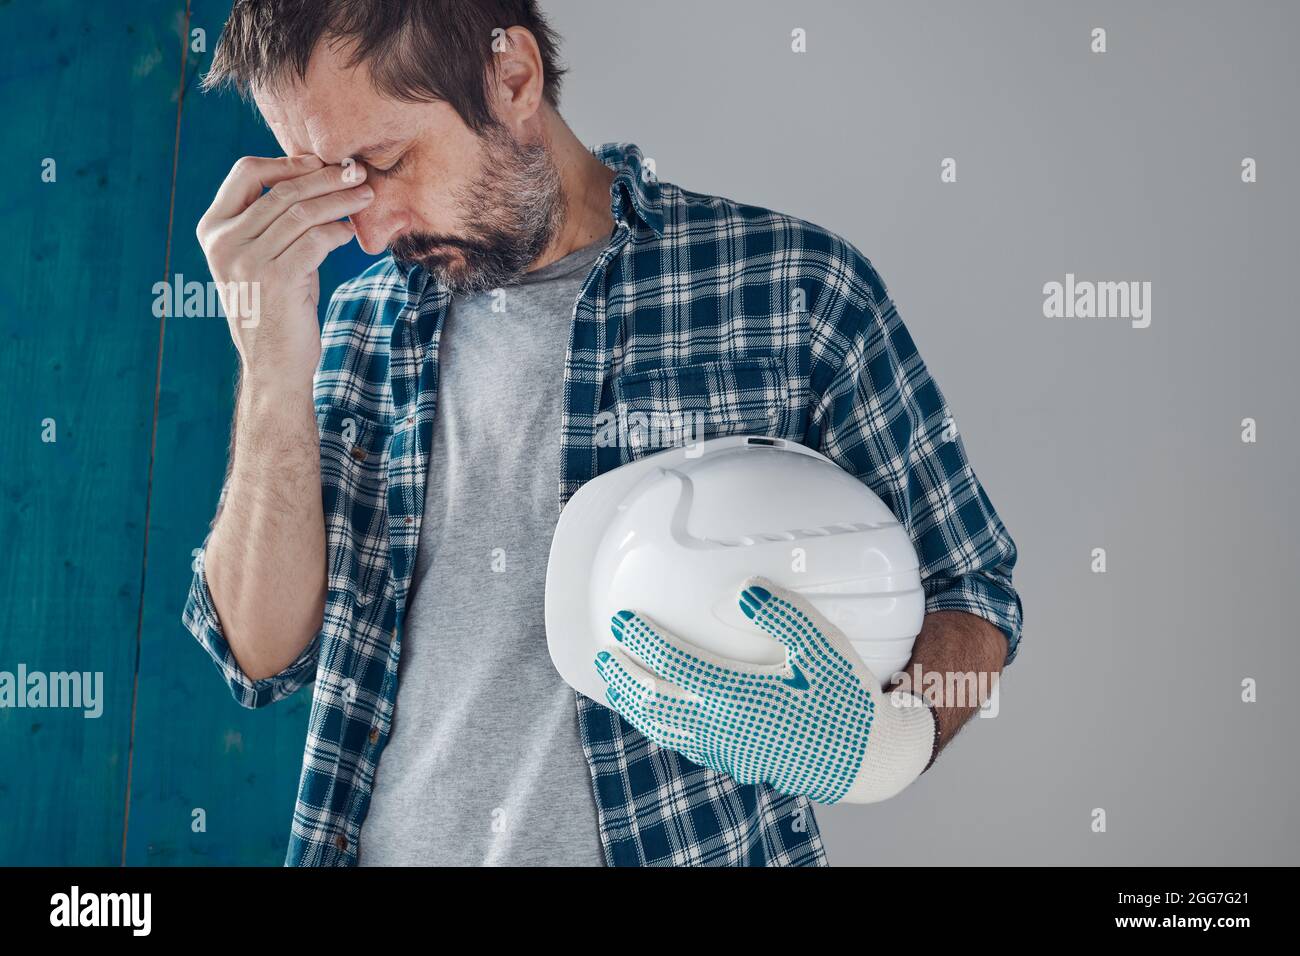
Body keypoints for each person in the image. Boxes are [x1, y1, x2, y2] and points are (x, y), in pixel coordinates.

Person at [185, 0, 1023, 867]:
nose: (367, 229)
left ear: (511, 77)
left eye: (386, 163)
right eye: (333, 182)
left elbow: (973, 586)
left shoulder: (793, 288)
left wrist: (886, 749)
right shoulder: (355, 328)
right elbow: (259, 656)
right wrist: (271, 359)